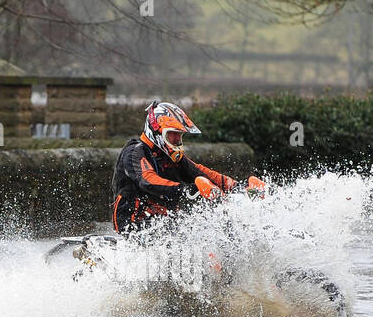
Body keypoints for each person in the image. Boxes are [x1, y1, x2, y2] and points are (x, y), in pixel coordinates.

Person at [111, 99, 264, 233]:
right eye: (172, 134)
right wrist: (187, 190)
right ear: (157, 131)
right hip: (132, 224)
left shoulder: (170, 156)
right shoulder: (135, 151)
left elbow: (200, 172)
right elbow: (147, 180)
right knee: (191, 232)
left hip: (161, 220)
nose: (177, 138)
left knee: (204, 226)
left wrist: (237, 187)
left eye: (179, 135)